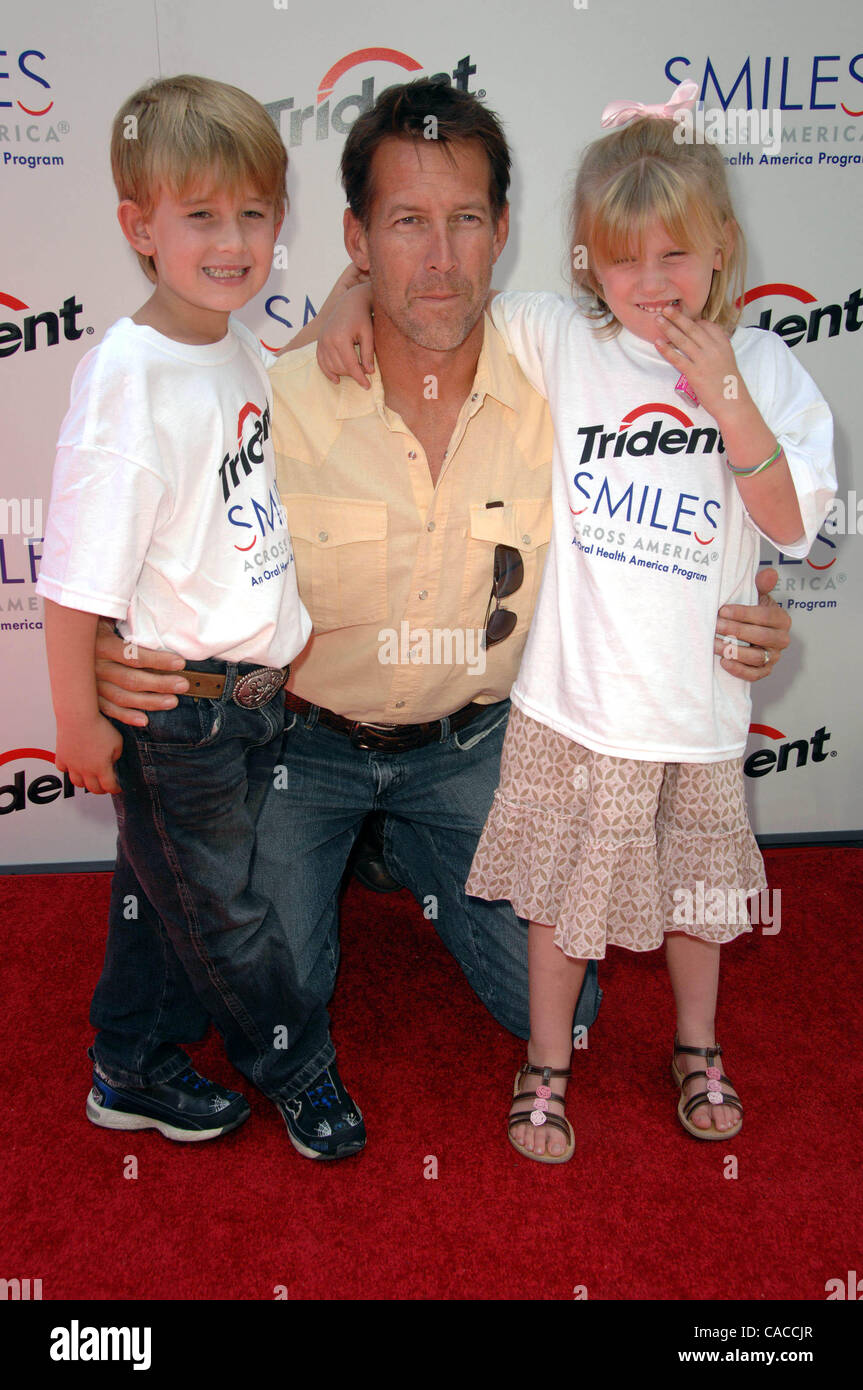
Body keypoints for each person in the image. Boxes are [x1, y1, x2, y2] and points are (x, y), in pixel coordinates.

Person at [93, 79, 793, 1157]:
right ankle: (344, 851)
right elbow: (153, 522)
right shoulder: (276, 395)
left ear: (504, 234)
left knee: (559, 1006)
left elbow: (711, 487)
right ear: (355, 239)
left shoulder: (570, 367)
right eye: (404, 223)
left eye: (464, 220)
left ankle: (393, 853)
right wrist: (104, 651)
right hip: (306, 744)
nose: (437, 256)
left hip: (477, 745)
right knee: (271, 994)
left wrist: (764, 599)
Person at [461, 94, 835, 1161]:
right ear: (587, 264)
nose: (654, 281)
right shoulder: (559, 338)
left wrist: (726, 395)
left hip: (698, 712)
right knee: (559, 902)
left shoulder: (763, 368)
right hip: (578, 705)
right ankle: (544, 1060)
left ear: (723, 247)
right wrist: (352, 297)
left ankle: (694, 1043)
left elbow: (798, 526)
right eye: (625, 260)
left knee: (700, 897)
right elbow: (443, 308)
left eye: (678, 252)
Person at [36, 75, 367, 1161]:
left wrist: (348, 300)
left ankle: (127, 1064)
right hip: (179, 714)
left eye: (253, 216)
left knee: (166, 898)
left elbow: (265, 396)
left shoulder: (221, 338)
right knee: (223, 916)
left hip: (247, 703)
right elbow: (75, 574)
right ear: (140, 228)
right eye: (200, 218)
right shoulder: (124, 379)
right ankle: (298, 1068)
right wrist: (79, 719)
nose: (233, 243)